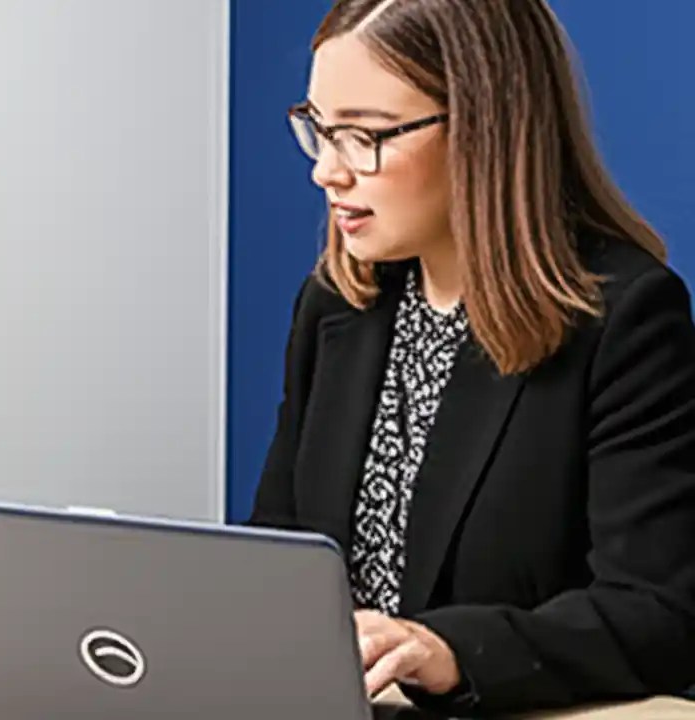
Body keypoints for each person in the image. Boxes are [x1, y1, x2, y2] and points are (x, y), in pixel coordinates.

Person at [249, 0, 695, 714]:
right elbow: (276, 558)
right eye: (321, 131)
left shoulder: (624, 318)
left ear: (486, 130)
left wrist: (449, 652)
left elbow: (657, 614)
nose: (327, 172)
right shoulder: (335, 306)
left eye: (364, 136)